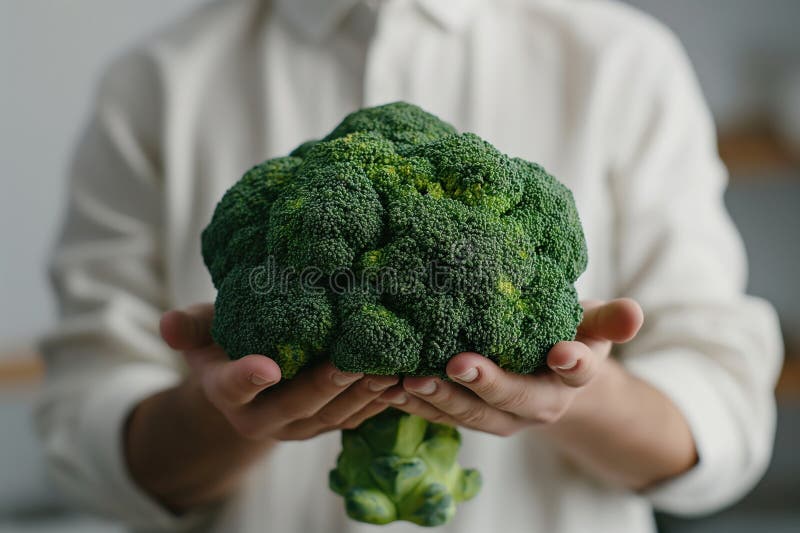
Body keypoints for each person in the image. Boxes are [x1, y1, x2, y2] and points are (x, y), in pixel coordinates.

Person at [36, 0, 783, 532]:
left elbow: (726, 414)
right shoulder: (157, 84)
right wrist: (219, 417)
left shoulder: (621, 61)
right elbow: (82, 433)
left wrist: (579, 397)